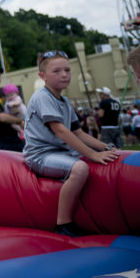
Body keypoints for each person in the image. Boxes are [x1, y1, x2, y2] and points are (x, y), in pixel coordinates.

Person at [23, 50, 119, 236]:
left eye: (67, 70)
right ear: (42, 76)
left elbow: (79, 133)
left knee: (97, 163)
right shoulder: (42, 97)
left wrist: (106, 148)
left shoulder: (65, 101)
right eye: (57, 71)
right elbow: (61, 131)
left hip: (61, 153)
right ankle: (63, 223)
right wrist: (92, 154)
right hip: (40, 155)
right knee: (81, 168)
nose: (64, 74)